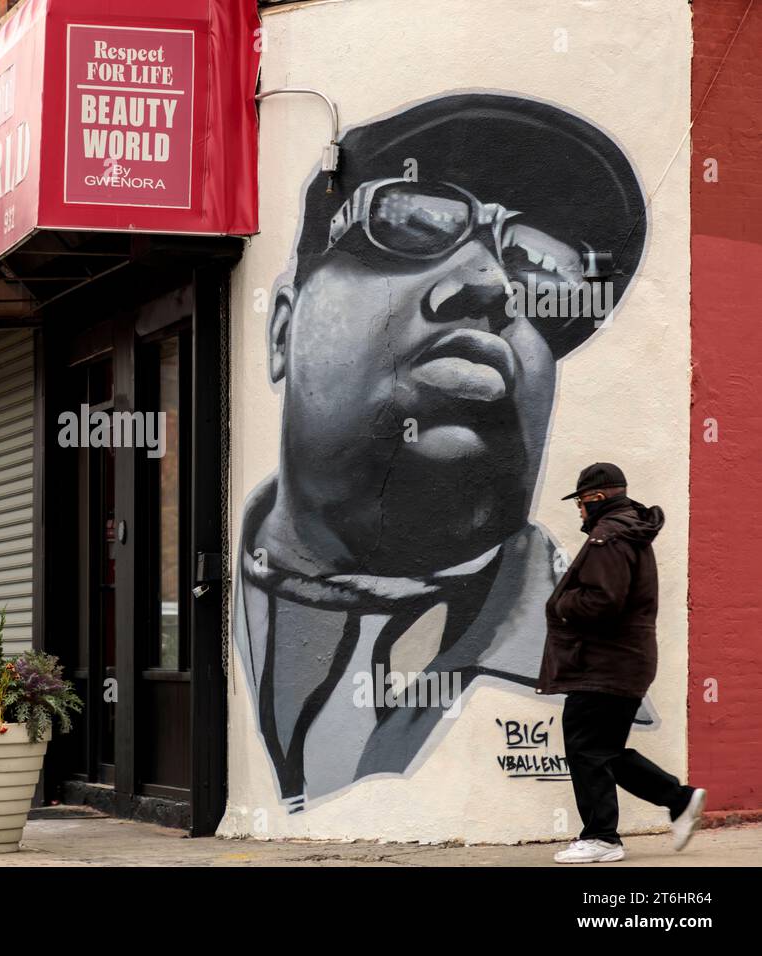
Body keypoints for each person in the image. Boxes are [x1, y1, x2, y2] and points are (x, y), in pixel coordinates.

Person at [233, 92, 652, 809]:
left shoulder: (564, 672)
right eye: (412, 218)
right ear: (281, 332)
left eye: (541, 265)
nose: (491, 285)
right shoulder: (223, 614)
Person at [539, 462, 705, 863]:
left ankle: (601, 838)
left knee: (585, 746)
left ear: (596, 498)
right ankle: (678, 799)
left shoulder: (608, 536)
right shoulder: (626, 531)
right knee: (602, 749)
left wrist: (560, 602)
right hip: (622, 661)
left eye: (580, 501)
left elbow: (604, 600)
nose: (578, 510)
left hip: (605, 664)